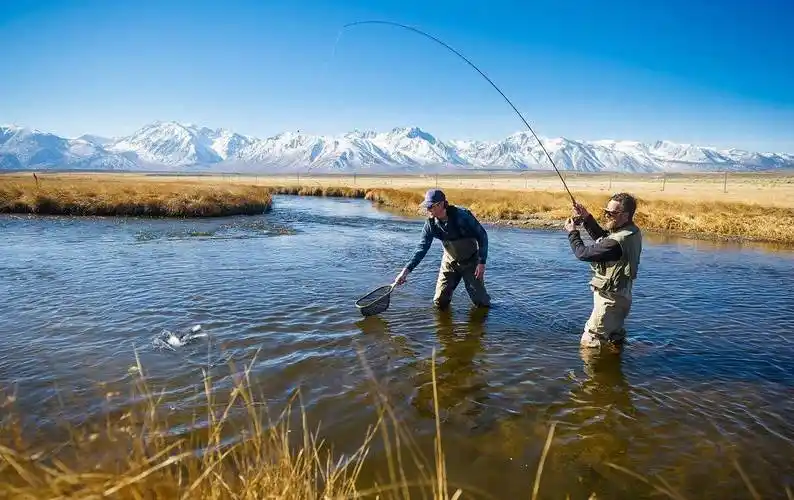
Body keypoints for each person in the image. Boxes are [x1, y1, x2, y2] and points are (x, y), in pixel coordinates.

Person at [564, 192, 642, 350]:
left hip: (610, 301)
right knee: (614, 337)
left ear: (625, 215)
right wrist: (586, 217)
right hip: (622, 295)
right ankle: (615, 366)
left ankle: (594, 374)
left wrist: (572, 232)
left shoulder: (616, 241)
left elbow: (583, 253)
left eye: (612, 213)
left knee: (590, 341)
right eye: (606, 211)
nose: (607, 216)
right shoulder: (632, 231)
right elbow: (603, 239)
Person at [395, 189, 491, 309]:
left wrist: (482, 263)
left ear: (441, 204)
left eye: (430, 207)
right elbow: (421, 249)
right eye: (427, 207)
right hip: (449, 262)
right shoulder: (430, 224)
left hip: (472, 261)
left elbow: (482, 235)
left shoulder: (462, 216)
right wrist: (405, 272)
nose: (427, 210)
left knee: (482, 303)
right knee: (440, 302)